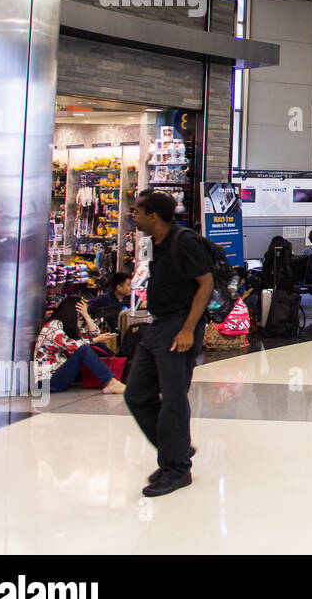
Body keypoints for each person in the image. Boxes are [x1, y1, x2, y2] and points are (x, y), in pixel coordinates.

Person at [126, 190, 214, 497]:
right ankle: (176, 449)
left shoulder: (184, 241)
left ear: (153, 216)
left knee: (174, 400)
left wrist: (189, 329)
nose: (132, 216)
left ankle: (177, 469)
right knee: (137, 394)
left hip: (180, 326)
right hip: (158, 326)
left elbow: (206, 283)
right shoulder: (157, 243)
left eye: (137, 212)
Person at [34, 297, 126, 395]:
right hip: (46, 382)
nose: (79, 318)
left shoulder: (67, 327)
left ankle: (116, 377)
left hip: (58, 373)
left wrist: (87, 316)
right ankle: (110, 382)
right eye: (79, 315)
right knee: (84, 350)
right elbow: (73, 346)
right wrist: (95, 340)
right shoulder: (53, 326)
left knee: (95, 345)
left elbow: (94, 333)